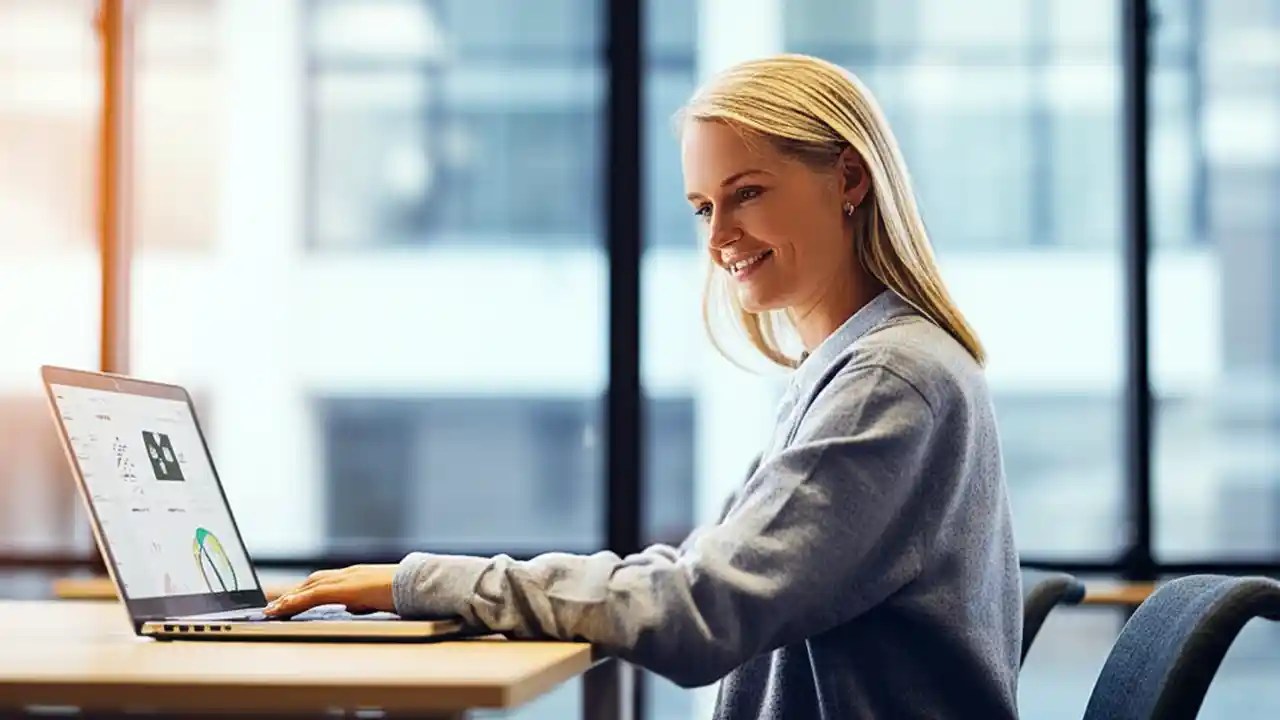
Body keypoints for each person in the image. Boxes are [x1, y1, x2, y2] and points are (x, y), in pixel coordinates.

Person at [265, 54, 1021, 719]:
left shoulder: (889, 380)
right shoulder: (848, 368)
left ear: (849, 178)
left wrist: (420, 581)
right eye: (702, 207)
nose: (718, 236)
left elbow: (698, 614)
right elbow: (694, 576)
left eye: (747, 192)